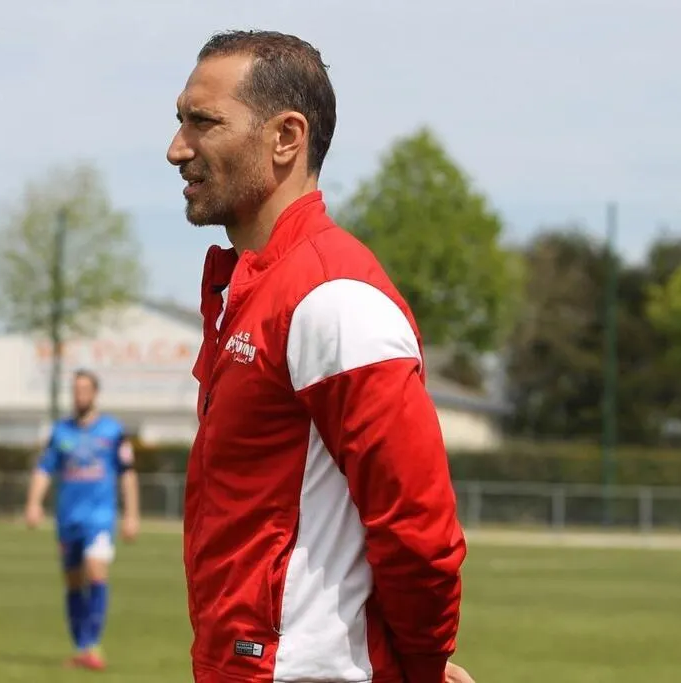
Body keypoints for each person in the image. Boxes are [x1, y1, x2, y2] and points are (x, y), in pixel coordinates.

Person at [167, 30, 473, 683]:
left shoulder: (333, 298)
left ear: (286, 138)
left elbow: (418, 526)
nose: (177, 148)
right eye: (179, 122)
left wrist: (422, 668)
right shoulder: (252, 290)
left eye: (203, 123)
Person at [24, 369, 141, 671]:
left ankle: (91, 645)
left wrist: (131, 514)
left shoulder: (113, 431)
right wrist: (34, 503)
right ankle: (82, 647)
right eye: (75, 390)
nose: (79, 395)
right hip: (68, 519)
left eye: (85, 389)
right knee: (73, 582)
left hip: (100, 518)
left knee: (96, 570)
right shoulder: (60, 432)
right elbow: (44, 469)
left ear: (95, 393)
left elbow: (127, 475)